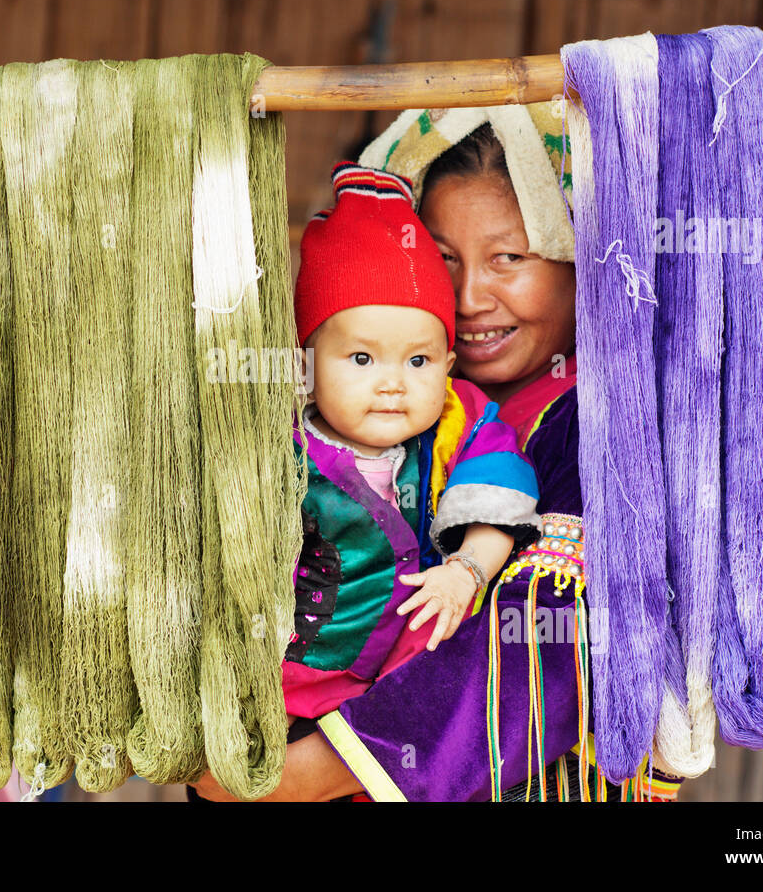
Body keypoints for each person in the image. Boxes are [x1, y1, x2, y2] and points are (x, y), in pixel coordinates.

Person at [193, 103, 684, 802]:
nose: (468, 296)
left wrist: (308, 773)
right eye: (442, 259)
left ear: (578, 256)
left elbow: (546, 644)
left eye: (508, 258)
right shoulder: (387, 417)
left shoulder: (602, 420)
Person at [282, 162, 541, 724]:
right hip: (289, 682)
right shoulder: (279, 449)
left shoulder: (456, 420)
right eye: (360, 358)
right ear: (305, 366)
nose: (392, 382)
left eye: (419, 360)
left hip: (404, 690)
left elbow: (500, 494)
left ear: (448, 367)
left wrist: (465, 571)